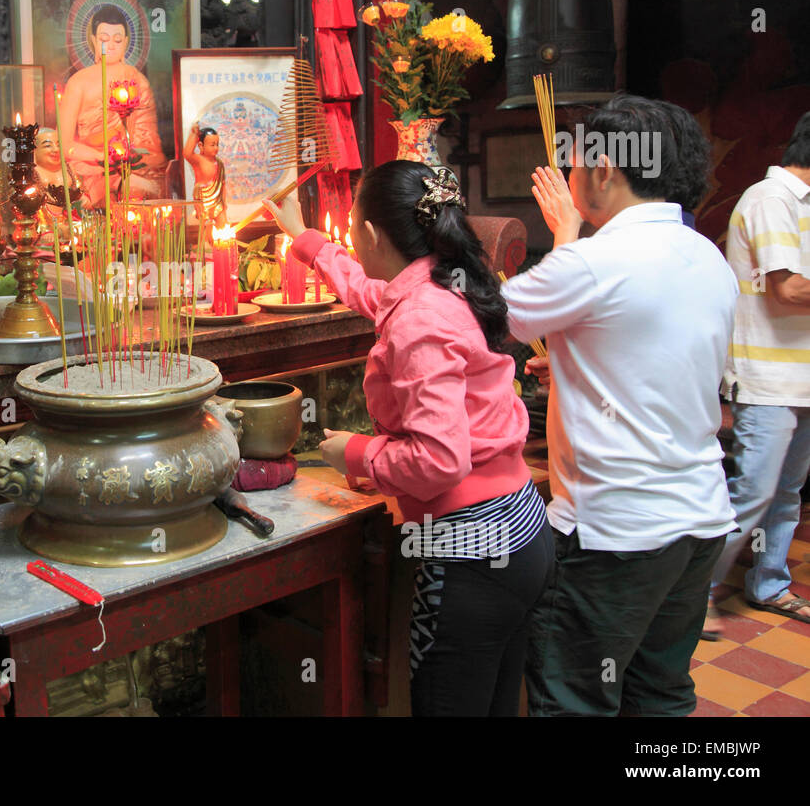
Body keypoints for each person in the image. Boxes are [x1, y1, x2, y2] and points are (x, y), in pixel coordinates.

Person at [265, 161, 550, 716]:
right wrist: (305, 240)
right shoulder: (444, 282)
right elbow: (372, 293)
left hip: (474, 551)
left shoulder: (421, 316)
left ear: (370, 235)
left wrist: (352, 450)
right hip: (521, 532)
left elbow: (439, 459)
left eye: (352, 229)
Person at [502, 94, 738, 716]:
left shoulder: (593, 260)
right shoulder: (706, 255)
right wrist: (580, 367)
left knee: (572, 696)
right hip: (698, 522)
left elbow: (493, 321)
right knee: (659, 692)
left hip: (617, 535)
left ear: (605, 169)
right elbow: (659, 356)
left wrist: (563, 234)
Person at [702, 112, 810, 638]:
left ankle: (768, 583)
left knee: (787, 492)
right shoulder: (772, 200)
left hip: (800, 377)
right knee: (753, 493)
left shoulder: (800, 204)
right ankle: (694, 594)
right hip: (767, 378)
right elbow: (787, 290)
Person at [59, 5, 168, 205]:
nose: (111, 45)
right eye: (104, 39)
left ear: (126, 41)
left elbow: (149, 139)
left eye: (117, 40)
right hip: (90, 166)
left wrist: (128, 158)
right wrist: (101, 156)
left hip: (132, 165)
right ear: (93, 40)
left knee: (135, 186)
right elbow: (65, 144)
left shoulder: (137, 79)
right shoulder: (78, 82)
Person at [183, 124, 228, 227]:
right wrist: (193, 135)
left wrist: (224, 202)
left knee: (223, 223)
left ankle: (222, 242)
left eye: (217, 144)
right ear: (201, 145)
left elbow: (223, 184)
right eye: (212, 145)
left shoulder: (219, 163)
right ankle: (205, 242)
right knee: (206, 227)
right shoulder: (198, 160)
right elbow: (187, 153)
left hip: (217, 200)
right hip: (203, 199)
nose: (216, 148)